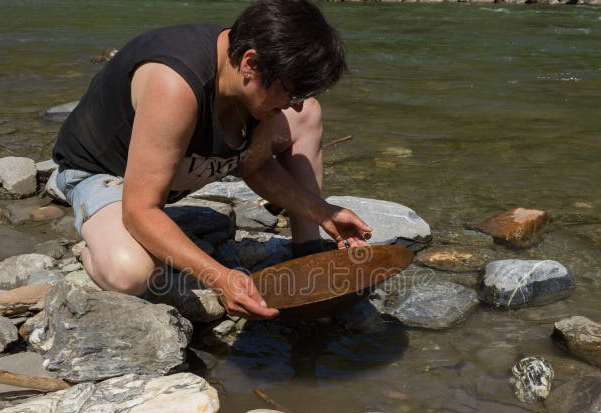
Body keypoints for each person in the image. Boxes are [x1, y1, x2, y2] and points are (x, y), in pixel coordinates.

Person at [52, 0, 372, 320]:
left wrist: (324, 213)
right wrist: (219, 277)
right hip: (107, 175)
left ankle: (307, 253)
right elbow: (140, 210)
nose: (296, 104)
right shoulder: (175, 84)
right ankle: (94, 245)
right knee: (130, 273)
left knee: (308, 116)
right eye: (291, 93)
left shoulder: (251, 78)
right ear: (251, 63)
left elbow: (255, 166)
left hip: (176, 171)